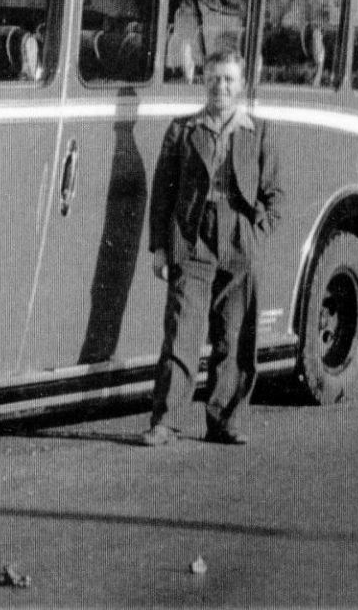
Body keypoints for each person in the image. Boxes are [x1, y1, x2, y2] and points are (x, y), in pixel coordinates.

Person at [141, 49, 284, 446]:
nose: (220, 87)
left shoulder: (259, 131)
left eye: (229, 80)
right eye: (214, 79)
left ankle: (225, 421)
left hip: (239, 238)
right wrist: (159, 247)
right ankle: (165, 422)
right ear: (203, 82)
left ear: (240, 85)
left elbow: (275, 195)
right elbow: (162, 194)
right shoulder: (183, 130)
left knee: (234, 335)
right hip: (193, 237)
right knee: (182, 330)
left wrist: (255, 233)